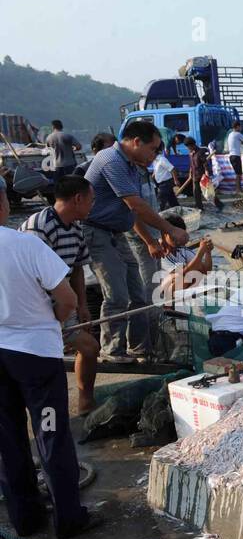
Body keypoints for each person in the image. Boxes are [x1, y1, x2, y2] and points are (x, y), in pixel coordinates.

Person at [0, 174, 95, 539]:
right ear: (4, 204)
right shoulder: (26, 244)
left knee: (8, 438)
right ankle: (68, 518)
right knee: (51, 432)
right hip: (36, 356)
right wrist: (52, 320)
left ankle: (25, 519)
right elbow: (67, 298)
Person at [83, 119, 188, 362]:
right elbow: (135, 204)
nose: (155, 155)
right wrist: (169, 229)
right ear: (137, 142)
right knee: (116, 294)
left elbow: (134, 211)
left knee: (138, 293)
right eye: (153, 149)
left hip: (116, 231)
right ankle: (111, 349)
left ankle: (138, 347)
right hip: (96, 231)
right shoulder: (111, 159)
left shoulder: (131, 165)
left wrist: (158, 235)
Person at [19, 175, 99, 415]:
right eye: (92, 200)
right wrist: (55, 316)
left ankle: (85, 402)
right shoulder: (38, 228)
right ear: (78, 199)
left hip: (64, 302)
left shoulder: (75, 228)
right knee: (45, 360)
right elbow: (30, 277)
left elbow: (77, 269)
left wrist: (82, 305)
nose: (93, 205)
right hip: (35, 307)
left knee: (90, 348)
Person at [225, 121, 243, 194]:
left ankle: (238, 189)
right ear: (237, 127)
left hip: (231, 156)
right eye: (240, 126)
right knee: (238, 174)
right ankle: (238, 190)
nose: (241, 128)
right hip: (236, 156)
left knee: (238, 173)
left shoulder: (230, 134)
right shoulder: (238, 134)